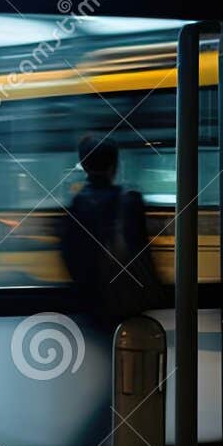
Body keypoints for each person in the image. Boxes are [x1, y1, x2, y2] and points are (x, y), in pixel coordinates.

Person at [59, 133, 161, 326]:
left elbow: (69, 255)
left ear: (85, 165)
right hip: (130, 301)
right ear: (115, 165)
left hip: (94, 306)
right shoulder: (131, 201)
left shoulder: (77, 206)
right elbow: (143, 251)